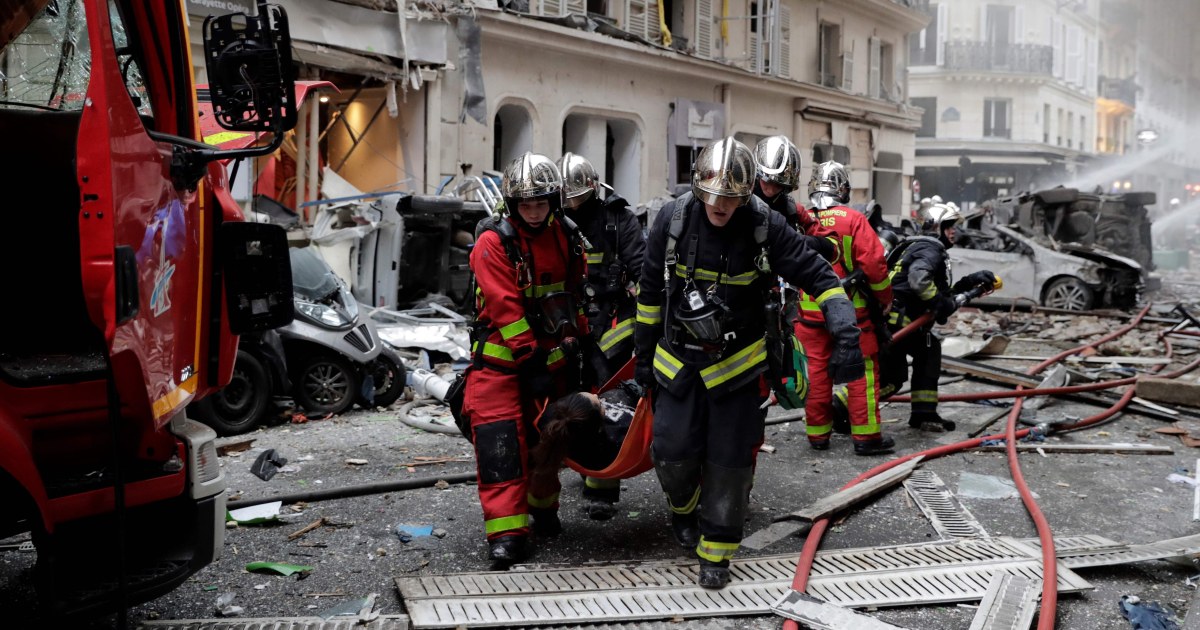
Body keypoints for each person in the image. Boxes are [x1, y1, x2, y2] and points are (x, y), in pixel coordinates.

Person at [634, 137, 864, 589]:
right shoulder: (673, 219)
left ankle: (716, 551)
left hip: (739, 366)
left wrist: (844, 326)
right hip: (677, 362)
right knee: (671, 452)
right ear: (699, 189)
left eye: (732, 197)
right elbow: (647, 293)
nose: (721, 205)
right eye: (714, 195)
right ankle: (685, 509)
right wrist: (643, 360)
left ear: (747, 193)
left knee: (731, 461)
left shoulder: (764, 224)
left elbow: (817, 274)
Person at [461, 152, 591, 565]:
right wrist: (531, 362)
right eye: (525, 204)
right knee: (500, 449)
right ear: (511, 204)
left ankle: (543, 509)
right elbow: (506, 309)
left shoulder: (568, 238)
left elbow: (575, 298)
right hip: (499, 368)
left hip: (551, 365)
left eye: (541, 203)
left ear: (554, 201)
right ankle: (506, 535)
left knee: (547, 444)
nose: (533, 212)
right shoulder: (492, 243)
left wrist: (582, 346)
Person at [555, 152, 646, 521]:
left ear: (592, 189)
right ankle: (579, 466)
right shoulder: (554, 220)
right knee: (569, 403)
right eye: (567, 200)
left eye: (576, 198)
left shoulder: (617, 219)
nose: (572, 206)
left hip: (613, 326)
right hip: (568, 323)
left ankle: (602, 490)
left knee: (606, 401)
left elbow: (641, 269)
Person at [796, 161, 895, 455]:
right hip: (853, 313)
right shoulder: (854, 220)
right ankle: (866, 438)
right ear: (842, 188)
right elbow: (875, 266)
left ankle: (817, 436)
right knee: (861, 374)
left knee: (815, 374)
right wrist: (884, 297)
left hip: (810, 313)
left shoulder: (802, 219)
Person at [882, 202, 995, 431]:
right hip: (900, 324)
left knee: (929, 350)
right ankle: (840, 407)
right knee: (890, 380)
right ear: (935, 227)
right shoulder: (930, 249)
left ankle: (924, 414)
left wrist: (969, 282)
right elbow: (918, 280)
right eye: (949, 225)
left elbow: (940, 293)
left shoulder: (913, 246)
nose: (954, 230)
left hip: (900, 322)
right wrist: (939, 304)